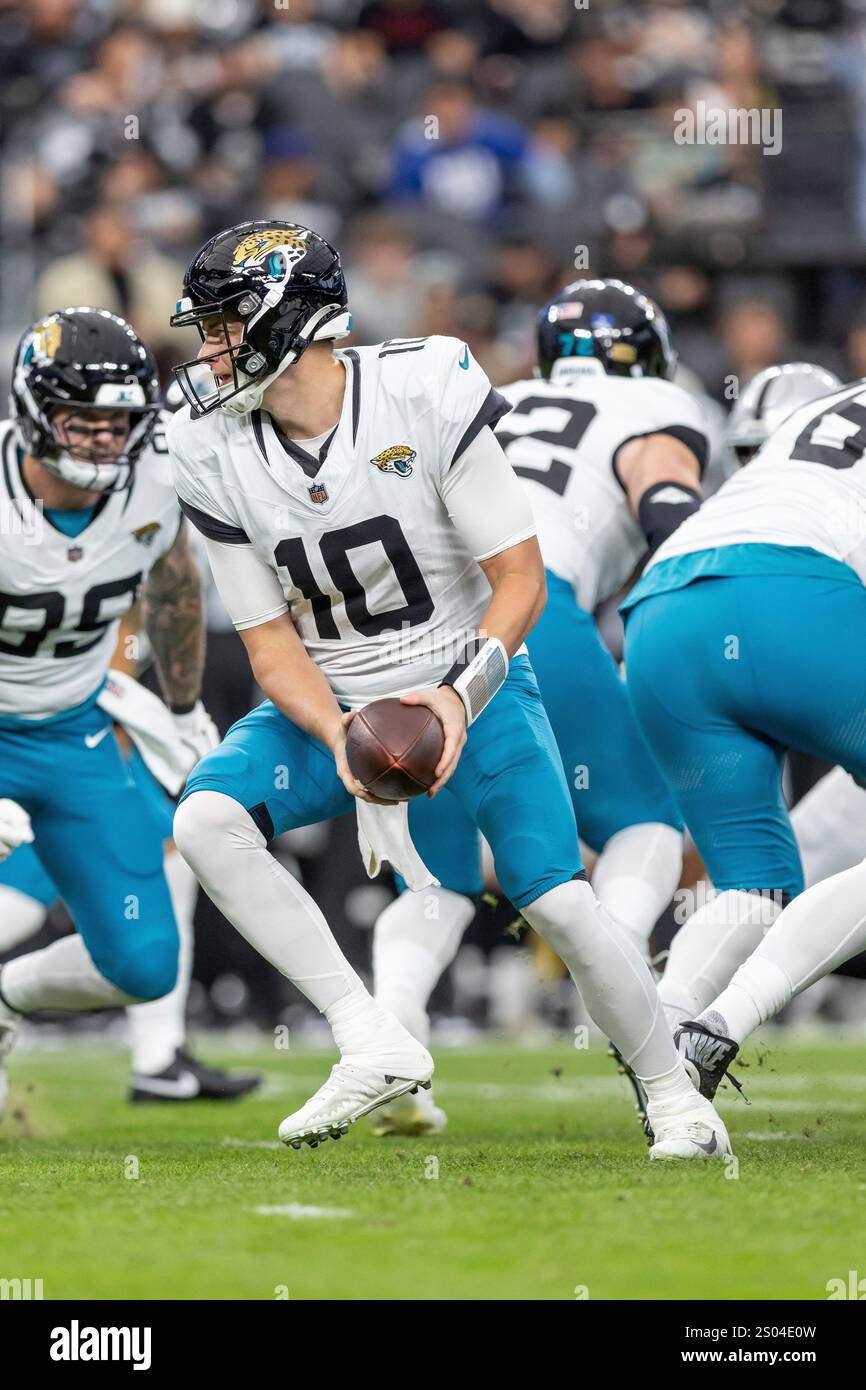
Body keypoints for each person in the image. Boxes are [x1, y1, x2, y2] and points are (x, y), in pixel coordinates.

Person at [166, 219, 731, 1159]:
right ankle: (371, 1036)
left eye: (225, 324)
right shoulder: (206, 444)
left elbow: (520, 579)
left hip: (468, 677)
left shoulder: (421, 386)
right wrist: (340, 732)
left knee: (555, 897)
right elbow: (269, 646)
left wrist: (458, 698)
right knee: (204, 821)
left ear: (289, 319)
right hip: (332, 692)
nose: (209, 349)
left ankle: (673, 1095)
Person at [369, 278, 710, 1137]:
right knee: (645, 820)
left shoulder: (500, 393)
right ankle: (620, 963)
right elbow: (665, 501)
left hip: (416, 622)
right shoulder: (657, 403)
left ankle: (396, 1038)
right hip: (530, 608)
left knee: (438, 873)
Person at [616, 363, 866, 1096]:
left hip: (662, 606)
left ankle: (664, 1049)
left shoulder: (817, 418)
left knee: (753, 883)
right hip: (795, 596)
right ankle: (724, 1023)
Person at [0, 307, 218, 1118]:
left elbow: (174, 582)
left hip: (74, 732)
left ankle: (8, 999)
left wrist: (187, 706)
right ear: (33, 413)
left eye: (118, 421)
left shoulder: (157, 476)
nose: (101, 439)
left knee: (144, 963)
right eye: (81, 421)